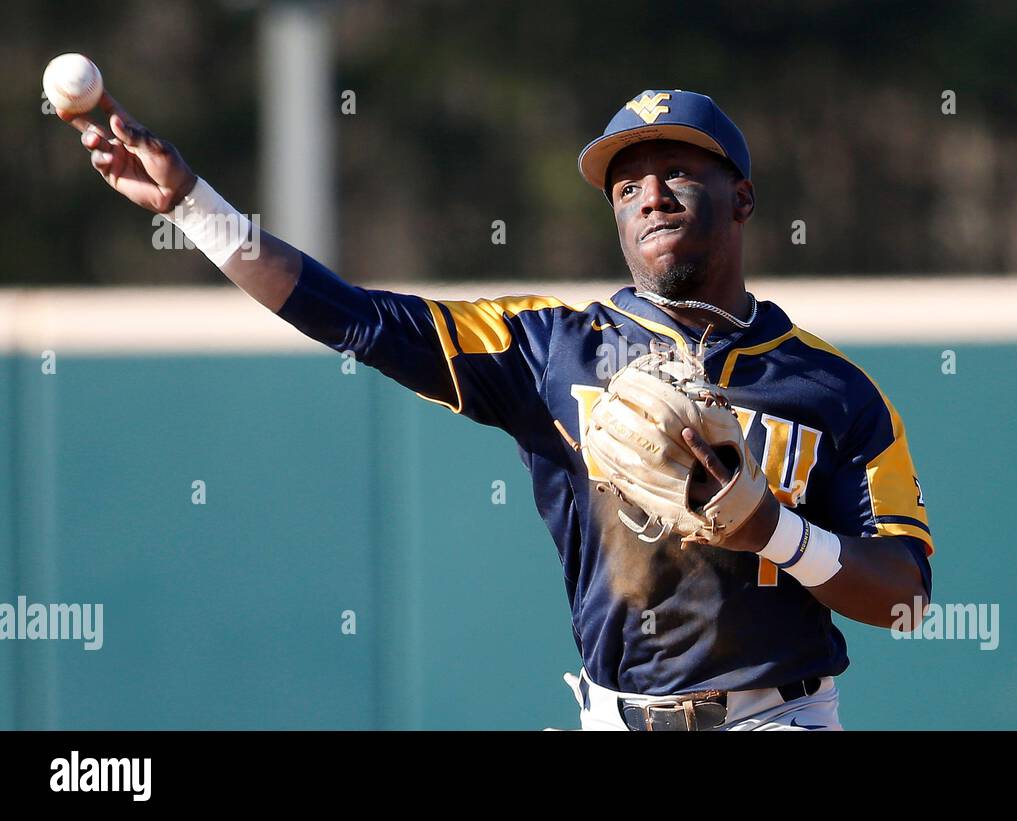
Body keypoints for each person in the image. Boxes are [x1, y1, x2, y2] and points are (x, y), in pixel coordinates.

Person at [61, 87, 934, 731]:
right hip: (615, 714)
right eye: (626, 188)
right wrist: (193, 206)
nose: (650, 196)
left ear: (741, 196)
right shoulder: (550, 347)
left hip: (775, 718)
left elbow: (907, 596)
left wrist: (775, 531)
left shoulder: (834, 390)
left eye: (677, 172)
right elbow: (352, 313)